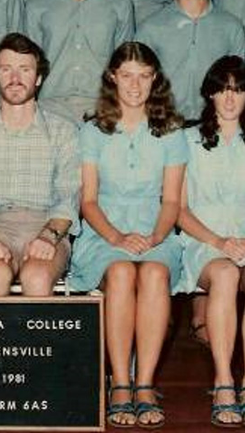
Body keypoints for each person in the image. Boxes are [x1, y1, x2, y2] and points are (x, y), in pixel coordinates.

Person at [69, 41, 186, 428]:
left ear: (155, 79)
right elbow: (88, 201)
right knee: (120, 272)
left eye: (144, 76)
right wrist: (118, 238)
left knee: (153, 272)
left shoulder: (172, 131)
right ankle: (120, 382)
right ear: (112, 77)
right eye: (127, 76)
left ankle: (145, 383)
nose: (135, 85)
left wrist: (155, 237)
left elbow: (172, 201)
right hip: (105, 230)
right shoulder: (92, 131)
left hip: (155, 229)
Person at [176, 57, 245, 426]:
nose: (229, 98)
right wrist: (219, 242)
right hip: (203, 239)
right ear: (209, 94)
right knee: (226, 274)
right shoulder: (186, 140)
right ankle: (223, 381)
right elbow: (179, 210)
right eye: (222, 89)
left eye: (237, 90)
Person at [0, 33, 80, 297]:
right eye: (6, 69)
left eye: (25, 69)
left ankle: (38, 329)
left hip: (46, 223)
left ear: (38, 78)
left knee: (37, 276)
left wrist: (48, 236)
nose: (15, 78)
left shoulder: (64, 131)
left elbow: (68, 197)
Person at [137, 0, 245, 120]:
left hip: (213, 128)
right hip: (162, 127)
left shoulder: (232, 28)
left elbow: (237, 90)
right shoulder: (150, 28)